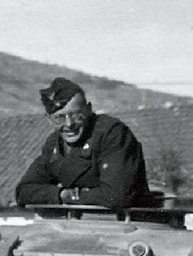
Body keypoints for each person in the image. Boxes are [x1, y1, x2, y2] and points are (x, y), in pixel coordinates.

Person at [14, 77, 152, 209]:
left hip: (123, 224)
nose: (69, 124)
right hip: (76, 223)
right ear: (49, 119)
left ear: (89, 109)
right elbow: (23, 191)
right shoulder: (54, 144)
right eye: (59, 118)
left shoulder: (111, 134)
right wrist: (62, 195)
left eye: (76, 115)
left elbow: (116, 196)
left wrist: (71, 196)